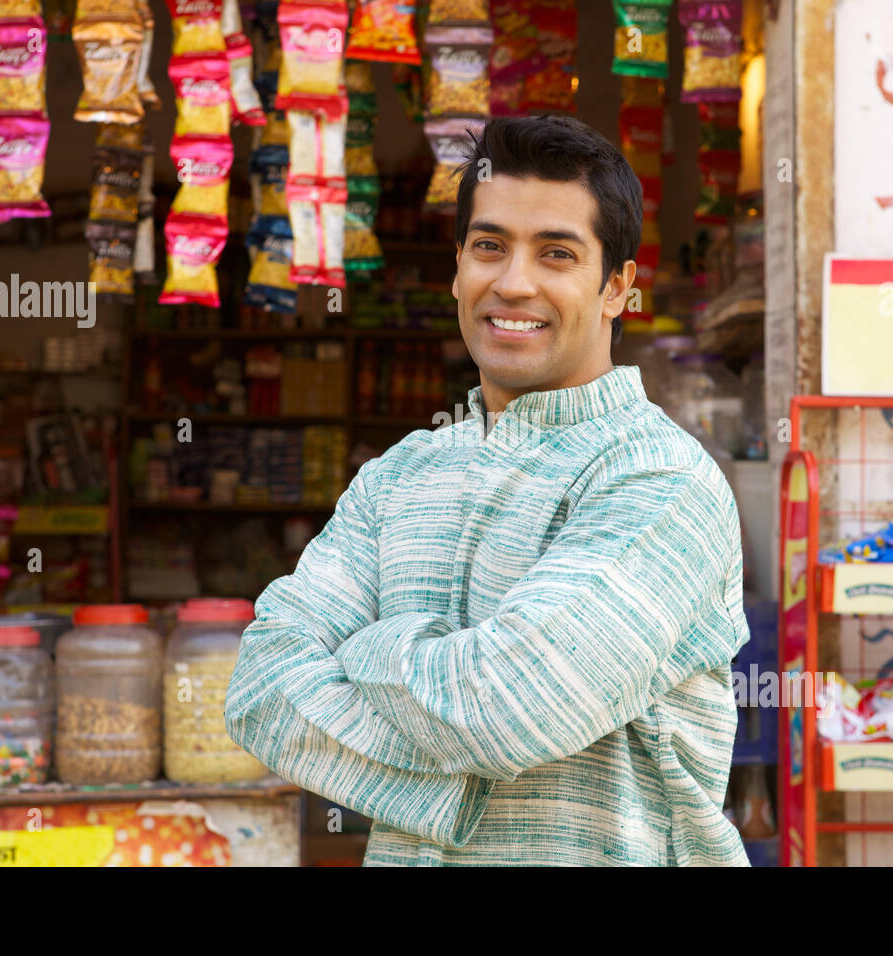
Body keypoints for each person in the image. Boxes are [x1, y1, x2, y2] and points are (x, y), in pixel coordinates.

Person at [226, 114, 751, 866]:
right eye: (489, 246)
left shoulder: (661, 480)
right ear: (457, 269)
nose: (513, 283)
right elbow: (263, 689)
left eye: (557, 253)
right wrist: (453, 765)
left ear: (616, 288)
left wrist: (367, 650)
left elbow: (510, 707)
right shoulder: (398, 476)